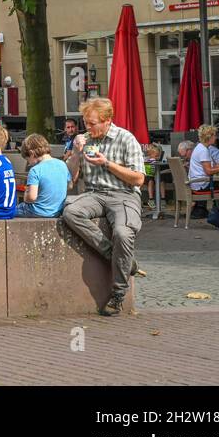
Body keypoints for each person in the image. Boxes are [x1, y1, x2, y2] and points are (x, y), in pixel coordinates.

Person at [61, 96, 146, 316]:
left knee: (123, 233)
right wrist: (77, 153)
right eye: (86, 123)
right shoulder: (85, 139)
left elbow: (138, 179)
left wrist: (106, 163)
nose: (88, 128)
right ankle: (117, 257)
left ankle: (118, 293)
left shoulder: (126, 139)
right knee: (70, 212)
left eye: (92, 123)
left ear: (107, 120)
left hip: (124, 195)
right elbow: (71, 176)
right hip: (94, 194)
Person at [15, 133, 68, 218]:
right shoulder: (62, 164)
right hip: (56, 211)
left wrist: (26, 195)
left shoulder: (35, 170)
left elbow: (31, 198)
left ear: (32, 154)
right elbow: (70, 185)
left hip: (37, 211)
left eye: (28, 160)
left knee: (10, 211)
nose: (29, 164)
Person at [187, 124, 219, 215]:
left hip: (195, 184)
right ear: (209, 137)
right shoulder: (204, 151)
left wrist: (217, 166)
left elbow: (206, 168)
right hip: (202, 185)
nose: (216, 137)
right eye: (214, 135)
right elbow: (208, 171)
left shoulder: (199, 147)